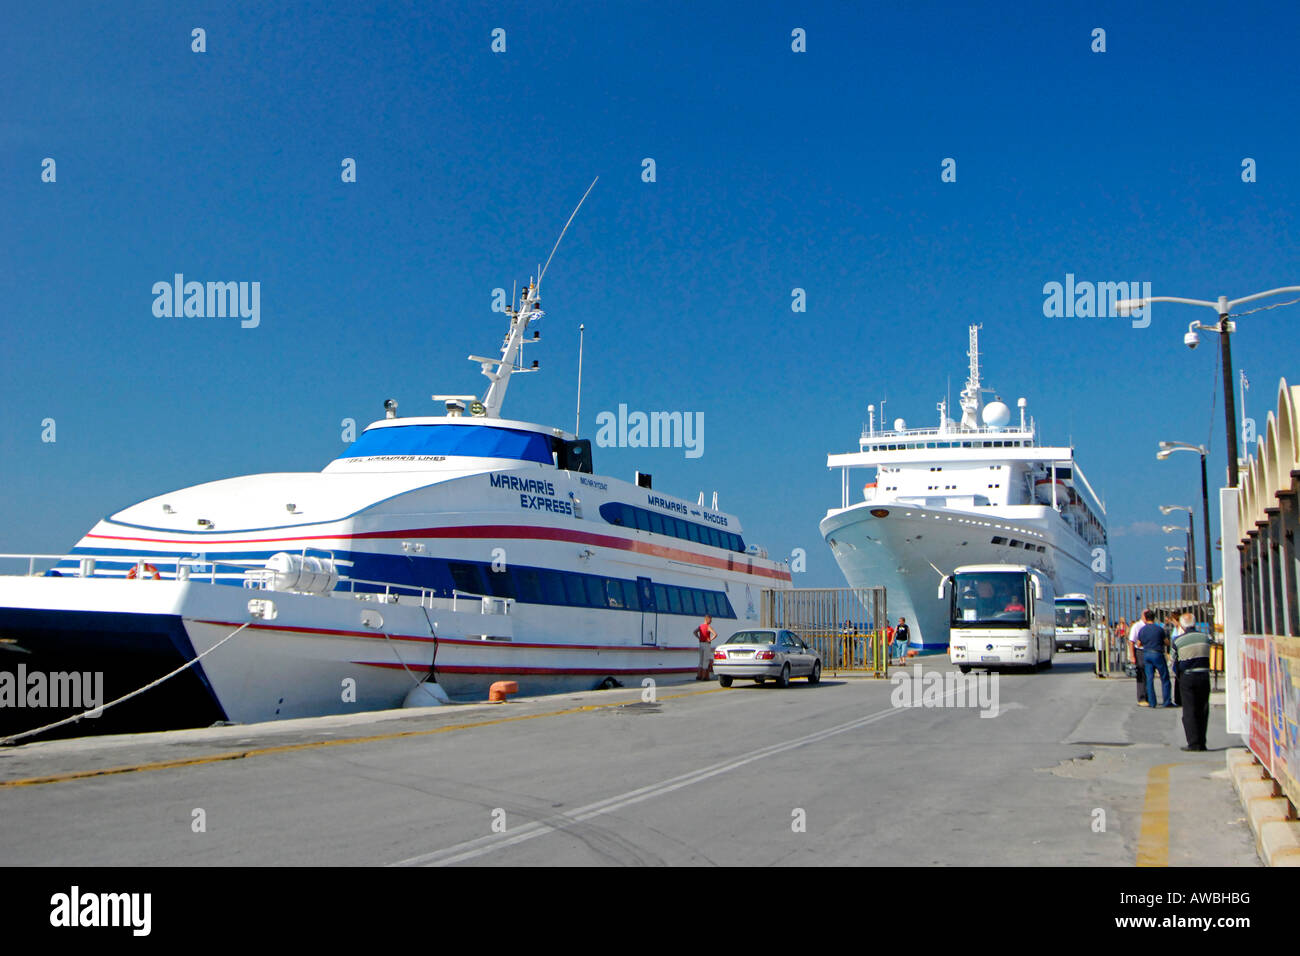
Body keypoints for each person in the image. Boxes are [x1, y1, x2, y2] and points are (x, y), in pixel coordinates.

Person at [1173, 612, 1212, 751]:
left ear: (1182, 626)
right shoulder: (1206, 638)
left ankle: (1193, 743)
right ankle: (1202, 742)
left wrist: (1178, 675)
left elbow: (1174, 662)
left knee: (1189, 709)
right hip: (1204, 675)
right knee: (1203, 708)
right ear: (1195, 623)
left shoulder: (1177, 641)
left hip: (1187, 677)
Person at [1134, 609, 1173, 707]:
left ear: (1146, 618)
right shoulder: (1159, 629)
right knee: (1164, 677)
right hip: (1157, 653)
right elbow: (1166, 642)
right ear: (1154, 618)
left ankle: (1152, 702)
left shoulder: (1142, 630)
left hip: (1147, 654)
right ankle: (1166, 701)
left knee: (1149, 678)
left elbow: (1138, 644)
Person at [693, 614, 717, 680]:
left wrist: (699, 637)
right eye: (710, 619)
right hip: (706, 644)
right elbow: (715, 634)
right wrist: (710, 639)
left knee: (701, 660)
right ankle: (704, 676)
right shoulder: (708, 627)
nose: (711, 621)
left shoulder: (700, 626)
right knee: (706, 660)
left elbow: (694, 632)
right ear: (707, 619)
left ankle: (698, 675)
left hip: (701, 643)